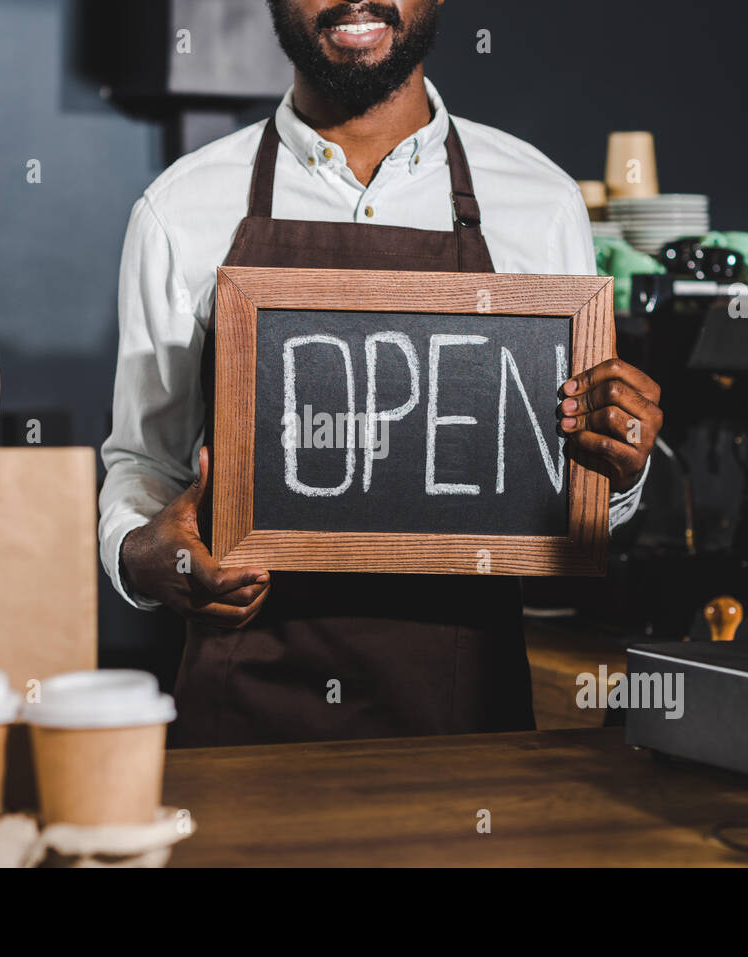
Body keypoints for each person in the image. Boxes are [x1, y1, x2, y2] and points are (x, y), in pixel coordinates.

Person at [100, 0, 662, 747]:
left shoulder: (541, 205)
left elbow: (569, 496)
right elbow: (143, 462)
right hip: (245, 728)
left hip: (468, 733)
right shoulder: (179, 210)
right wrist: (143, 555)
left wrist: (618, 470)